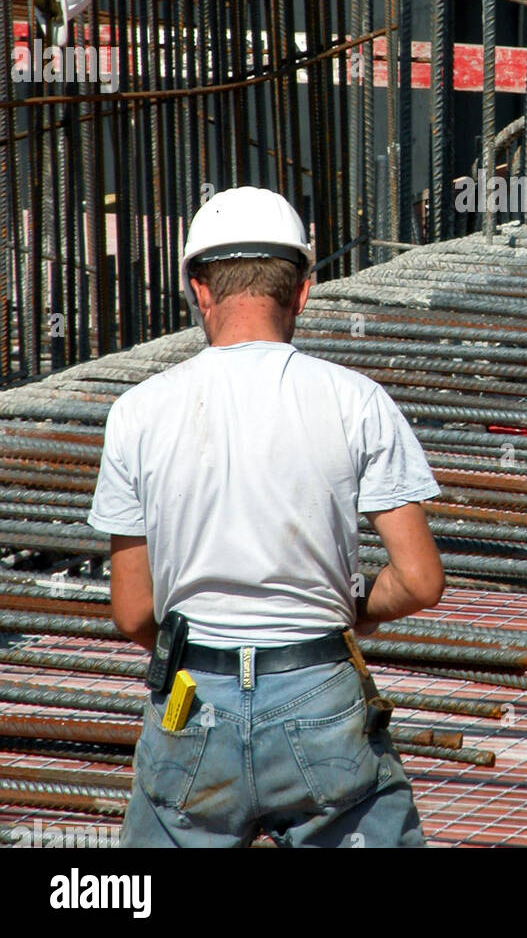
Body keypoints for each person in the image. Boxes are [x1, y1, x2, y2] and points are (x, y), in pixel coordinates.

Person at [88, 186, 445, 848]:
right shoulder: (357, 402)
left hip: (190, 700)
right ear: (303, 289)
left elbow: (135, 612)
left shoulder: (137, 413)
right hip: (318, 690)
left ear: (199, 288)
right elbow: (420, 580)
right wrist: (346, 609)